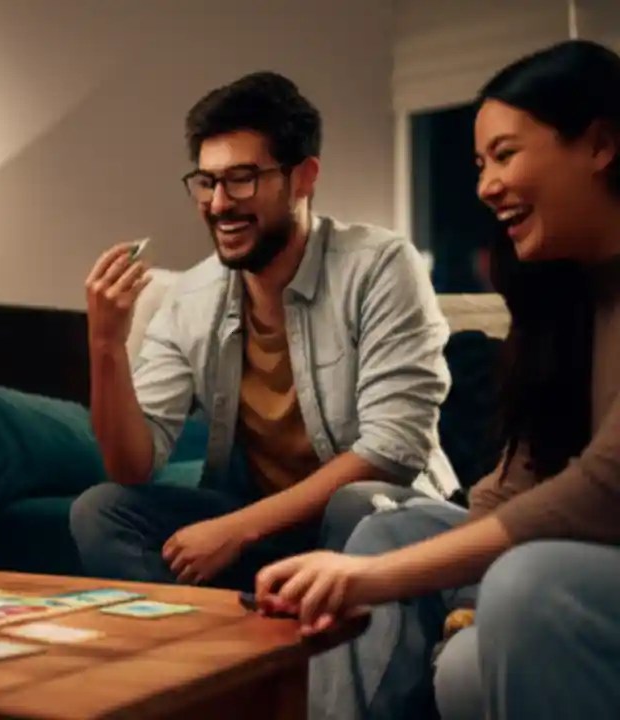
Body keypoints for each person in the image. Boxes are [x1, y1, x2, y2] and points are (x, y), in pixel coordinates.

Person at [255, 40, 620, 720]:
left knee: (524, 584)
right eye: (481, 164)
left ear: (600, 145)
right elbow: (516, 487)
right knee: (389, 525)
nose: (485, 186)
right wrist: (397, 563)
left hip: (575, 565)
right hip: (571, 555)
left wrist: (374, 578)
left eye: (506, 155)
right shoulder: (563, 298)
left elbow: (603, 491)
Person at [71, 71, 457, 591]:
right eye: (207, 182)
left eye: (242, 179)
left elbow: (393, 451)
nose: (219, 203)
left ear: (303, 177)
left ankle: (299, 663)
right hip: (261, 526)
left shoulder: (380, 265)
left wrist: (236, 530)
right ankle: (212, 664)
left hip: (377, 526)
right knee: (102, 511)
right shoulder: (189, 298)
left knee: (354, 505)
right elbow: (131, 467)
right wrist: (106, 345)